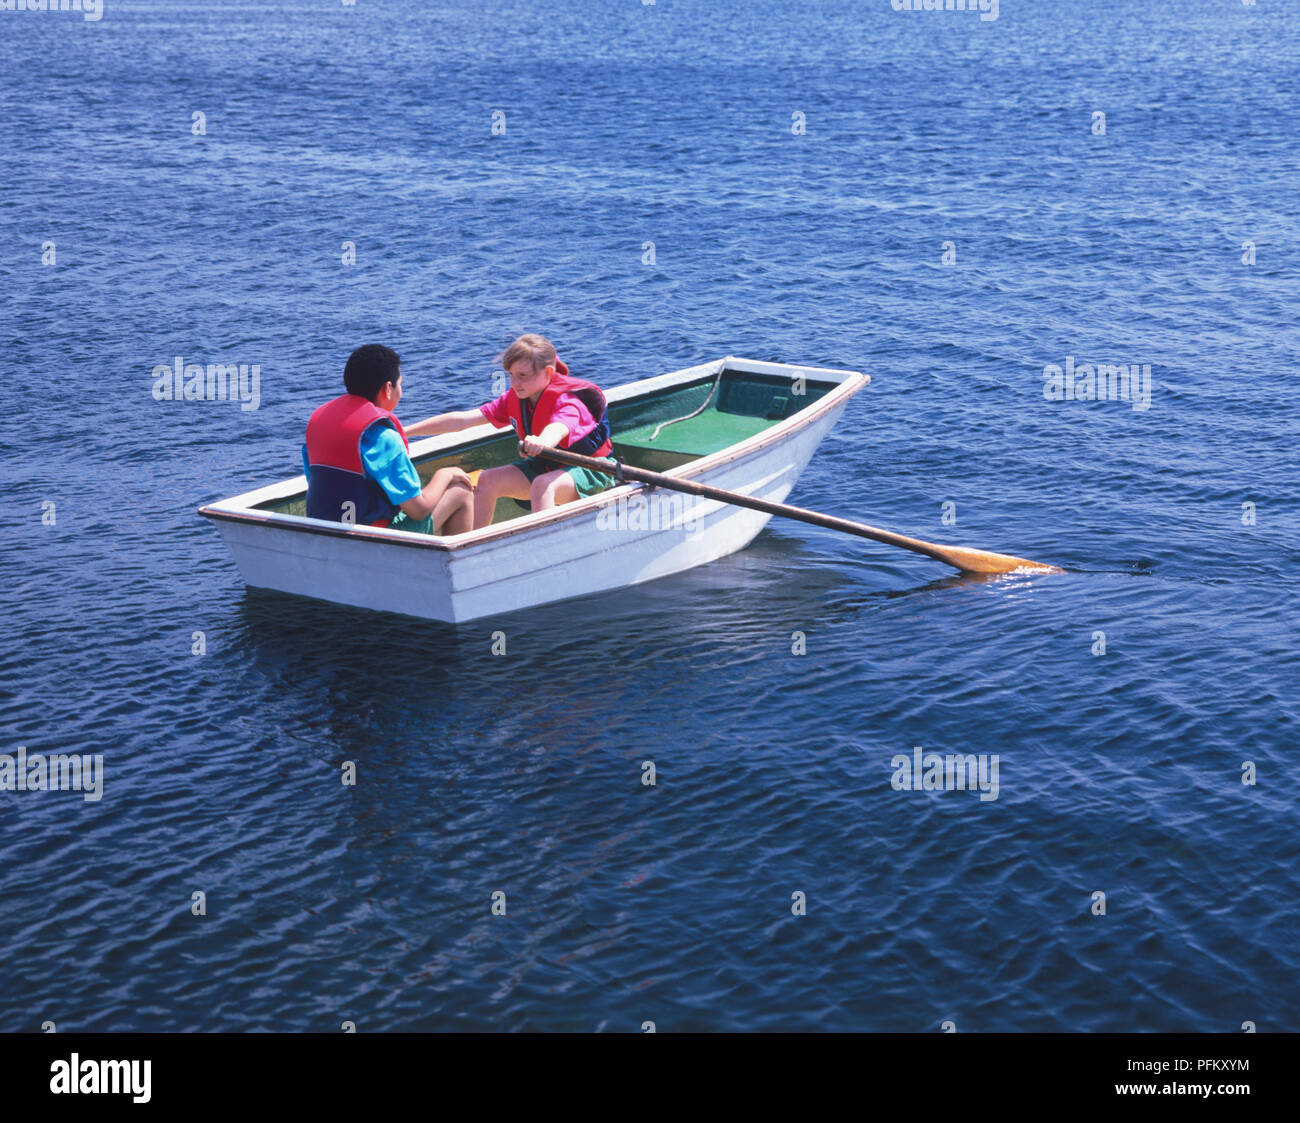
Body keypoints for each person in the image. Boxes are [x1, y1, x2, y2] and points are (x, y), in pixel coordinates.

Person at [406, 334, 614, 529]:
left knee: (542, 485)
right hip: (549, 466)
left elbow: (559, 427)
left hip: (594, 469)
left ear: (548, 372)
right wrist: (405, 431)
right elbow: (461, 421)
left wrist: (541, 441)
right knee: (488, 480)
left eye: (523, 375)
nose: (515, 383)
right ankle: (475, 547)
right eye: (511, 375)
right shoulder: (514, 399)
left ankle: (544, 549)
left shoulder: (568, 401)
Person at [303, 344, 474, 535]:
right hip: (372, 539)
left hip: (324, 532)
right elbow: (419, 510)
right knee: (461, 492)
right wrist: (444, 474)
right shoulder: (384, 438)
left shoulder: (319, 426)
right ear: (388, 389)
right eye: (400, 384)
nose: (402, 389)